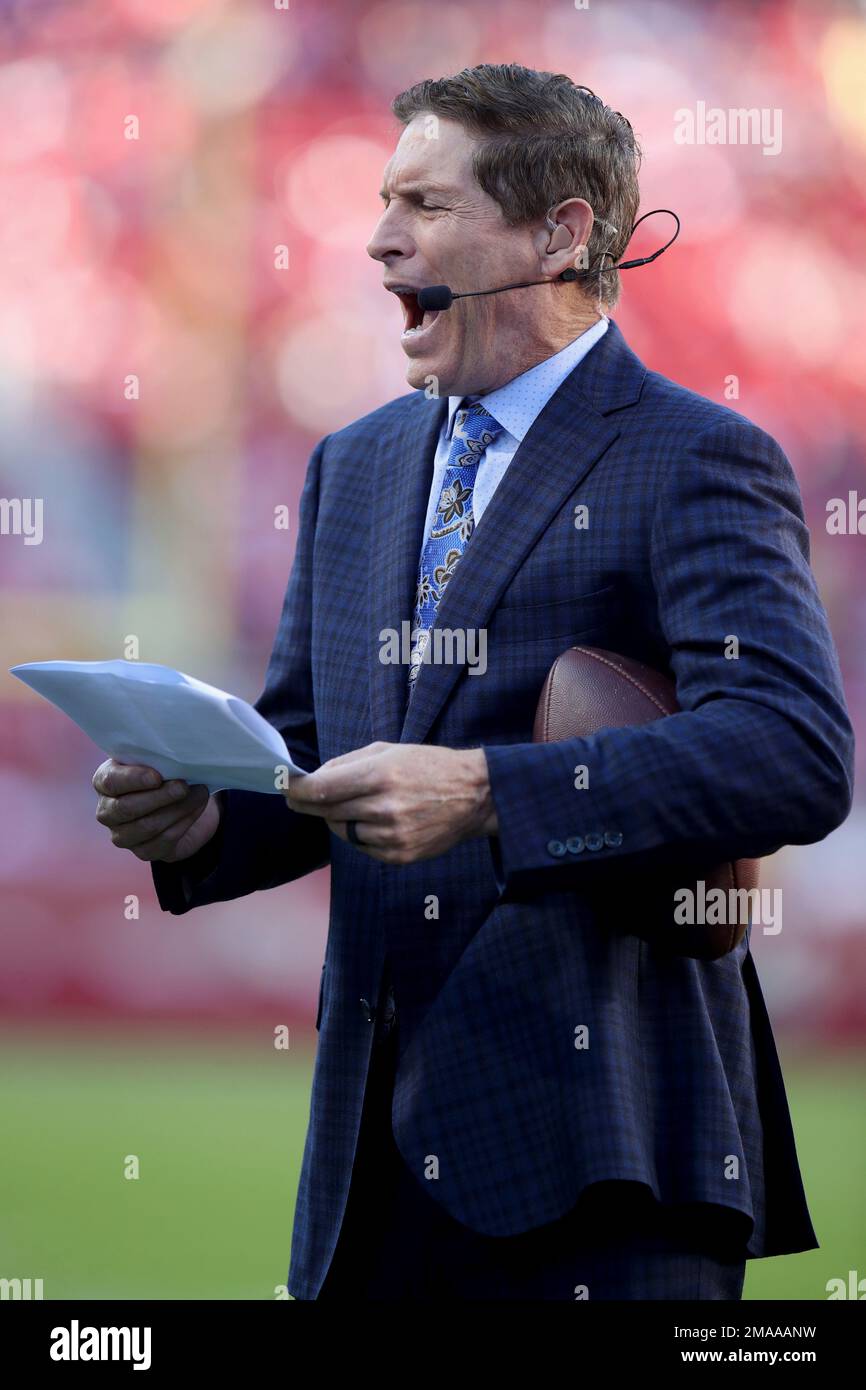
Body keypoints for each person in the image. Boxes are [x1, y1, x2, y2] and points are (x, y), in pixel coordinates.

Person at [92, 65, 854, 1301]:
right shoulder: (354, 465)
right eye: (383, 200)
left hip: (608, 1163)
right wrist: (206, 818)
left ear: (559, 233)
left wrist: (490, 790)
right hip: (362, 1174)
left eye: (426, 206)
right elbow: (308, 742)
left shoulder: (698, 454)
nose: (380, 237)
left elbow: (790, 750)